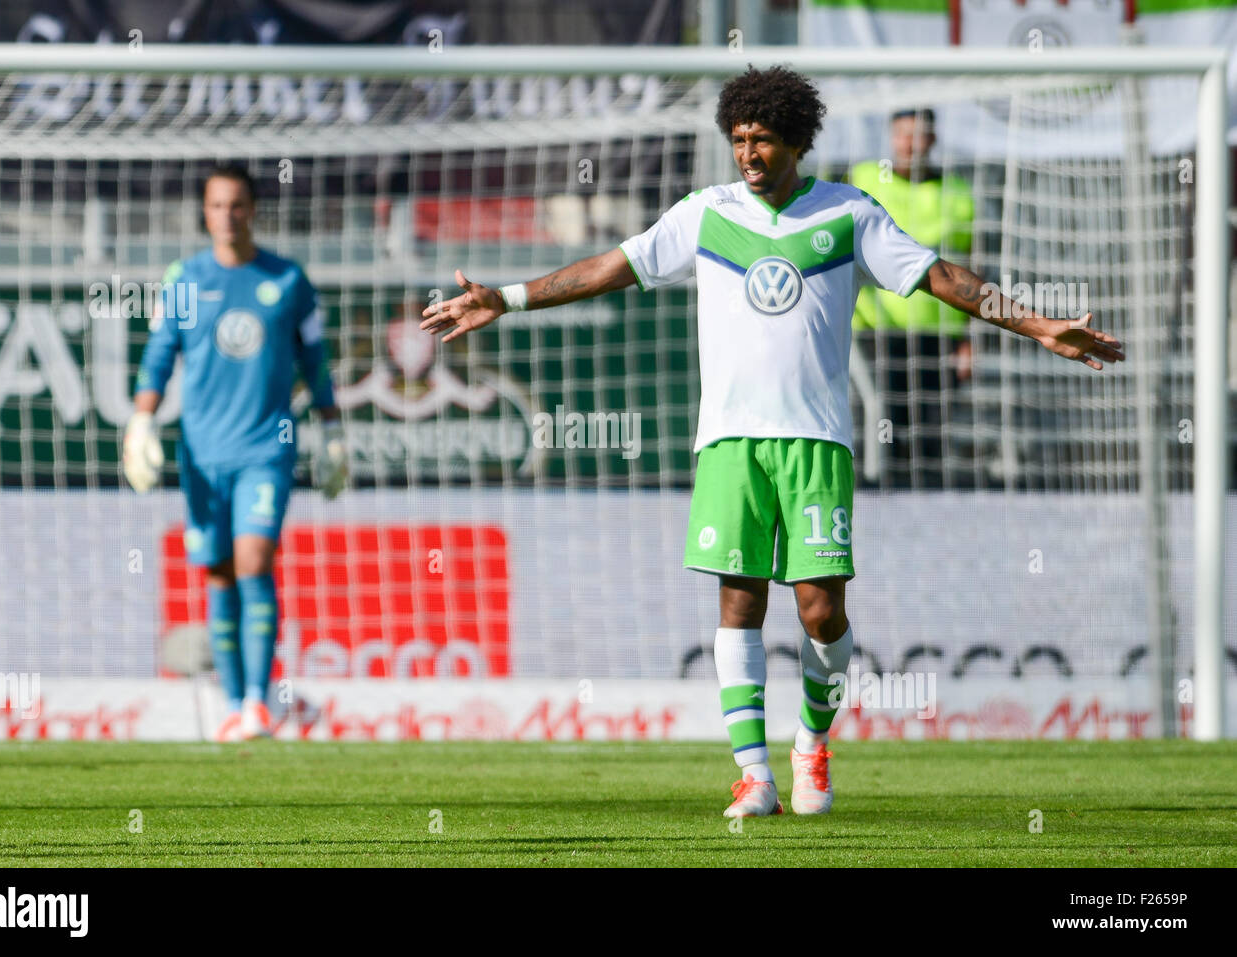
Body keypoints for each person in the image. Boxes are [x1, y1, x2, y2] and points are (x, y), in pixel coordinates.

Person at [419, 67, 1123, 816]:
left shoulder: (848, 213)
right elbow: (612, 266)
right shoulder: (704, 213)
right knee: (739, 601)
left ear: (796, 140)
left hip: (815, 441)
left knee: (821, 610)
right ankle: (754, 775)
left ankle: (812, 740)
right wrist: (510, 297)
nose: (749, 152)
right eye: (739, 139)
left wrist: (1038, 322)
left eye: (762, 139)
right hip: (729, 441)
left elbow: (941, 277)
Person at [122, 164, 349, 742]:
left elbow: (315, 362)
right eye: (217, 206)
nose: (227, 216)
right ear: (205, 212)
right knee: (220, 575)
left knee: (253, 561)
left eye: (238, 205)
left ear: (253, 210)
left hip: (264, 449)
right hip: (202, 456)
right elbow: (159, 355)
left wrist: (332, 430)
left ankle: (257, 702)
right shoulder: (185, 280)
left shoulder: (287, 279)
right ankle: (231, 704)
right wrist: (142, 419)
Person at [850, 108, 976, 488]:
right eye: (902, 134)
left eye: (917, 135)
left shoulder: (957, 193)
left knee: (930, 433)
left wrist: (967, 338)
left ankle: (926, 521)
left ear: (932, 141)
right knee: (878, 421)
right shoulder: (864, 179)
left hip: (936, 332)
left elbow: (968, 268)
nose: (908, 143)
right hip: (875, 331)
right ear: (891, 137)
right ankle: (873, 506)